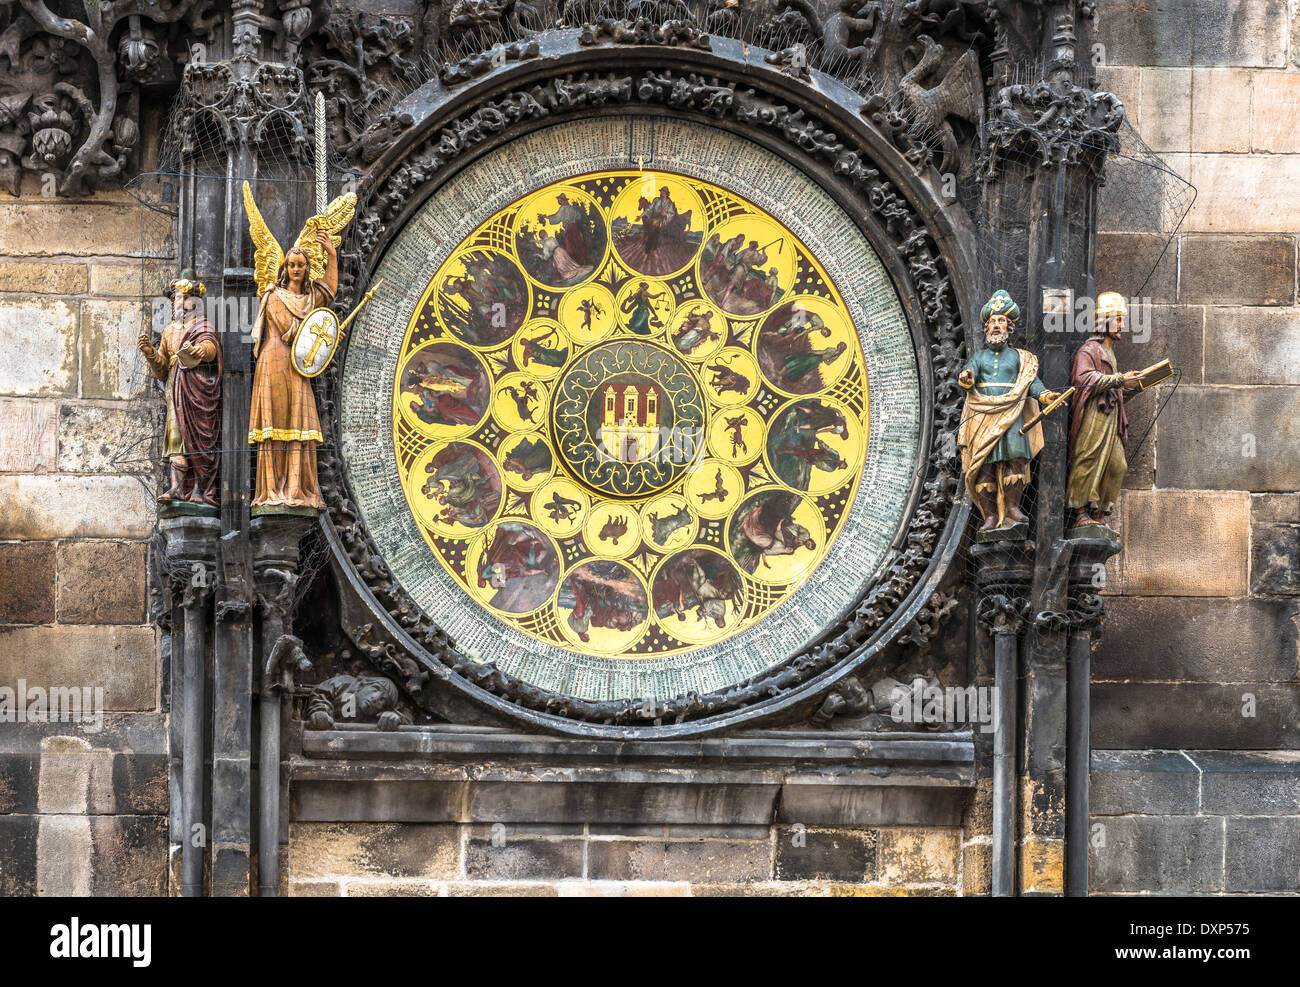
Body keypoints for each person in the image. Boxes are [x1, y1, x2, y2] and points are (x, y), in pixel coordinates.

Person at [956, 289, 1061, 532]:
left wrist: (1044, 395)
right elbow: (967, 377)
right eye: (992, 321)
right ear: (986, 328)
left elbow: (1029, 382)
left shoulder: (1018, 358)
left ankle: (1013, 507)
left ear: (1009, 328)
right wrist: (966, 377)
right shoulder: (979, 357)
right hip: (982, 415)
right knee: (983, 465)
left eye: (1001, 321)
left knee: (1016, 460)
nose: (996, 325)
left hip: (1012, 414)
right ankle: (990, 515)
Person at [248, 230, 335, 512]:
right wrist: (324, 334)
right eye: (292, 265)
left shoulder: (310, 299)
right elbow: (290, 331)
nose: (296, 269)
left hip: (298, 366)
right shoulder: (275, 297)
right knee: (275, 425)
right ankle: (273, 490)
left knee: (300, 422)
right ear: (284, 269)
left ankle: (298, 489)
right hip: (275, 361)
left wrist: (331, 255)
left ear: (308, 269)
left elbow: (329, 291)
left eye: (301, 265)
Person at [138, 272, 223, 506]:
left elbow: (211, 345)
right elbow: (163, 369)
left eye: (186, 298)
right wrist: (150, 353)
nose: (181, 303)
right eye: (177, 298)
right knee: (177, 437)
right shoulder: (168, 331)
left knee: (198, 436)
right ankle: (176, 488)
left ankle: (199, 490)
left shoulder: (204, 325)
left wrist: (203, 351)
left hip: (198, 389)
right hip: (175, 388)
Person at [1067, 291, 1140, 529]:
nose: (1121, 325)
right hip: (1094, 417)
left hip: (1111, 417)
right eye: (1117, 319)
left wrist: (1136, 385)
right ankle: (1080, 511)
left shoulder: (1110, 353)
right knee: (1088, 458)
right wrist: (1119, 379)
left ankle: (1099, 513)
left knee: (1117, 465)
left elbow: (1115, 391)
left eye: (1121, 320)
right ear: (1104, 320)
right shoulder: (1089, 350)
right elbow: (1083, 378)